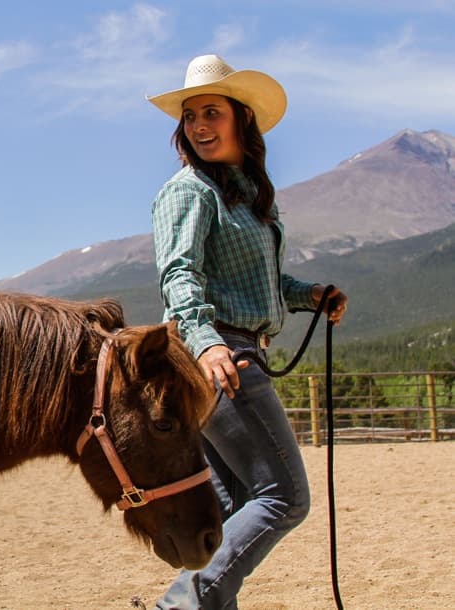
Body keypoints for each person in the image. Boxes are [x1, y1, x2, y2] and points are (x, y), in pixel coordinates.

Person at [146, 54, 348, 609]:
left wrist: (310, 295)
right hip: (218, 356)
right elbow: (179, 275)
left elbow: (259, 284)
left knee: (232, 510)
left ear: (241, 119)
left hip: (237, 351)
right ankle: (182, 605)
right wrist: (205, 342)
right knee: (284, 496)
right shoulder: (189, 191)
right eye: (190, 117)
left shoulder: (248, 193)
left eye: (211, 112)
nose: (199, 126)